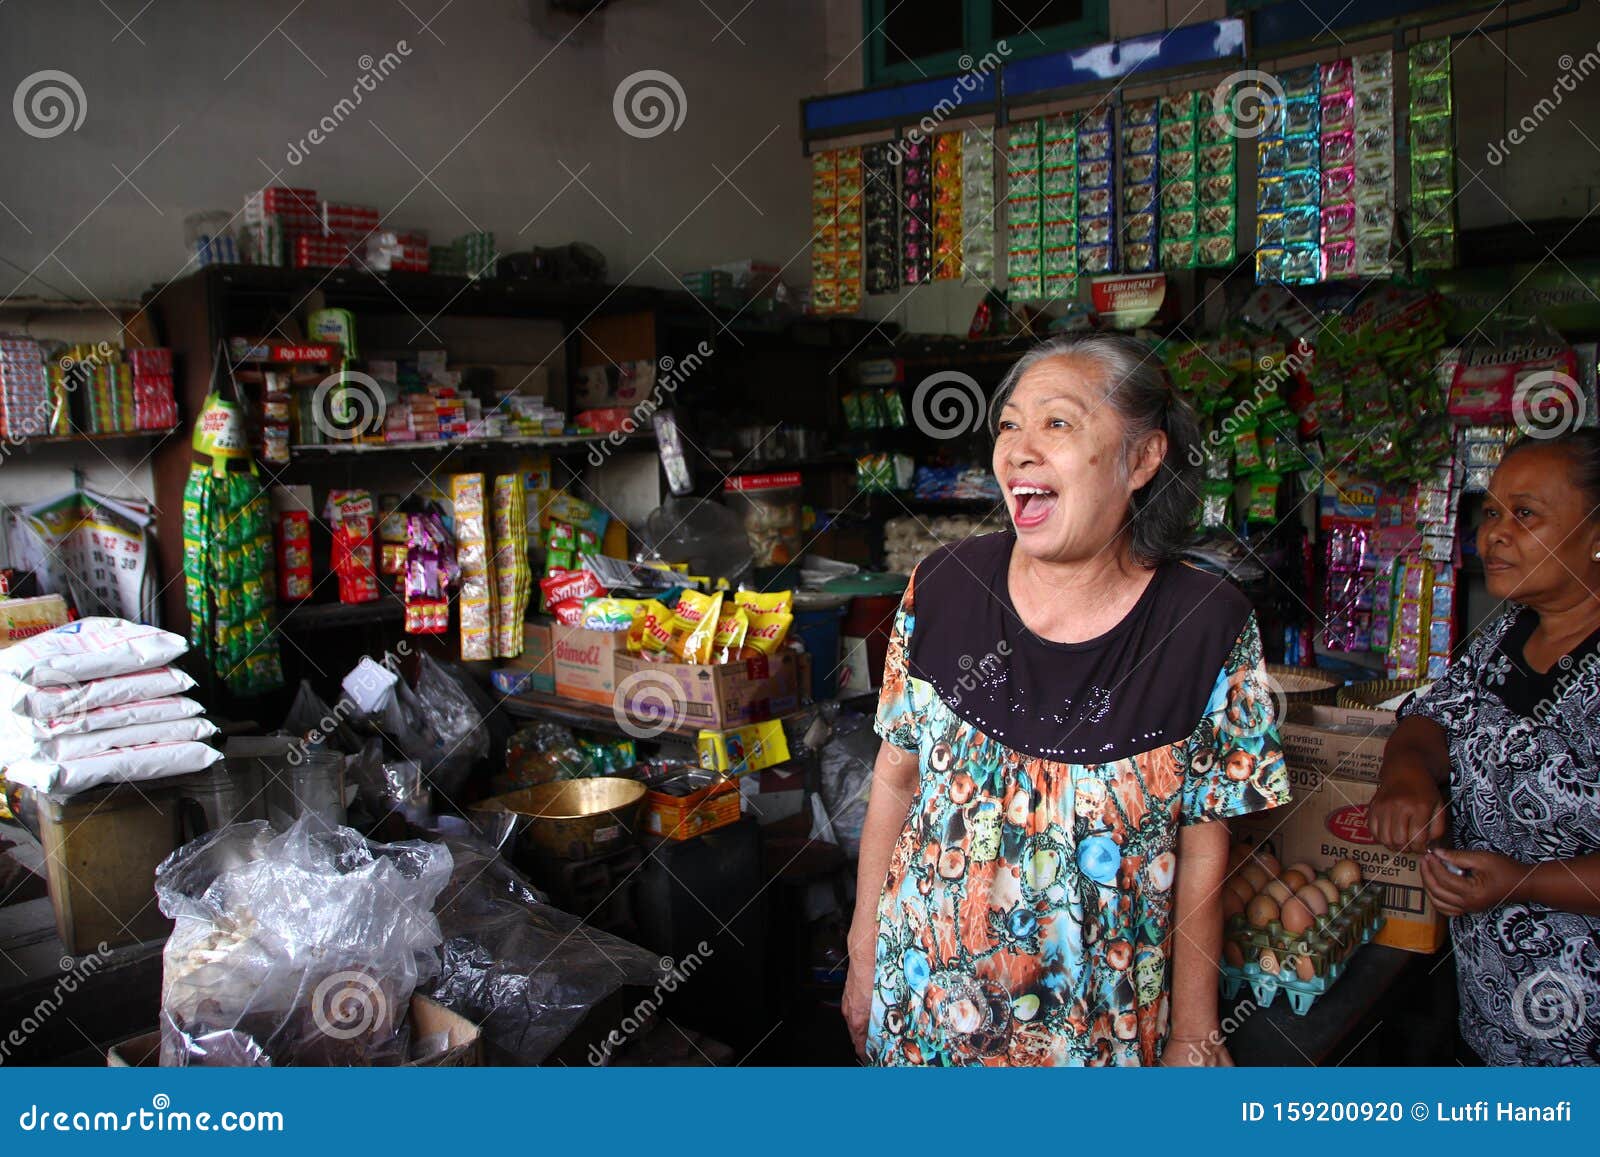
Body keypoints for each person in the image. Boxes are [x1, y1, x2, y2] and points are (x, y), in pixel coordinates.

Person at [840, 333, 1289, 1066]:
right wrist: (864, 953)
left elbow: (1207, 841)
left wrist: (1194, 1033)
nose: (1017, 450)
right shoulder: (945, 586)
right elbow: (895, 777)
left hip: (1094, 1036)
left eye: (1056, 423)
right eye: (1009, 423)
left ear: (1143, 458)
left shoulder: (1206, 623)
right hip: (921, 1011)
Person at [1370, 428, 1600, 1066]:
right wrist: (1407, 776)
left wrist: (1526, 882)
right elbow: (1431, 718)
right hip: (1491, 1016)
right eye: (1491, 512)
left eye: (1525, 515)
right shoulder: (1509, 631)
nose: (1494, 533)